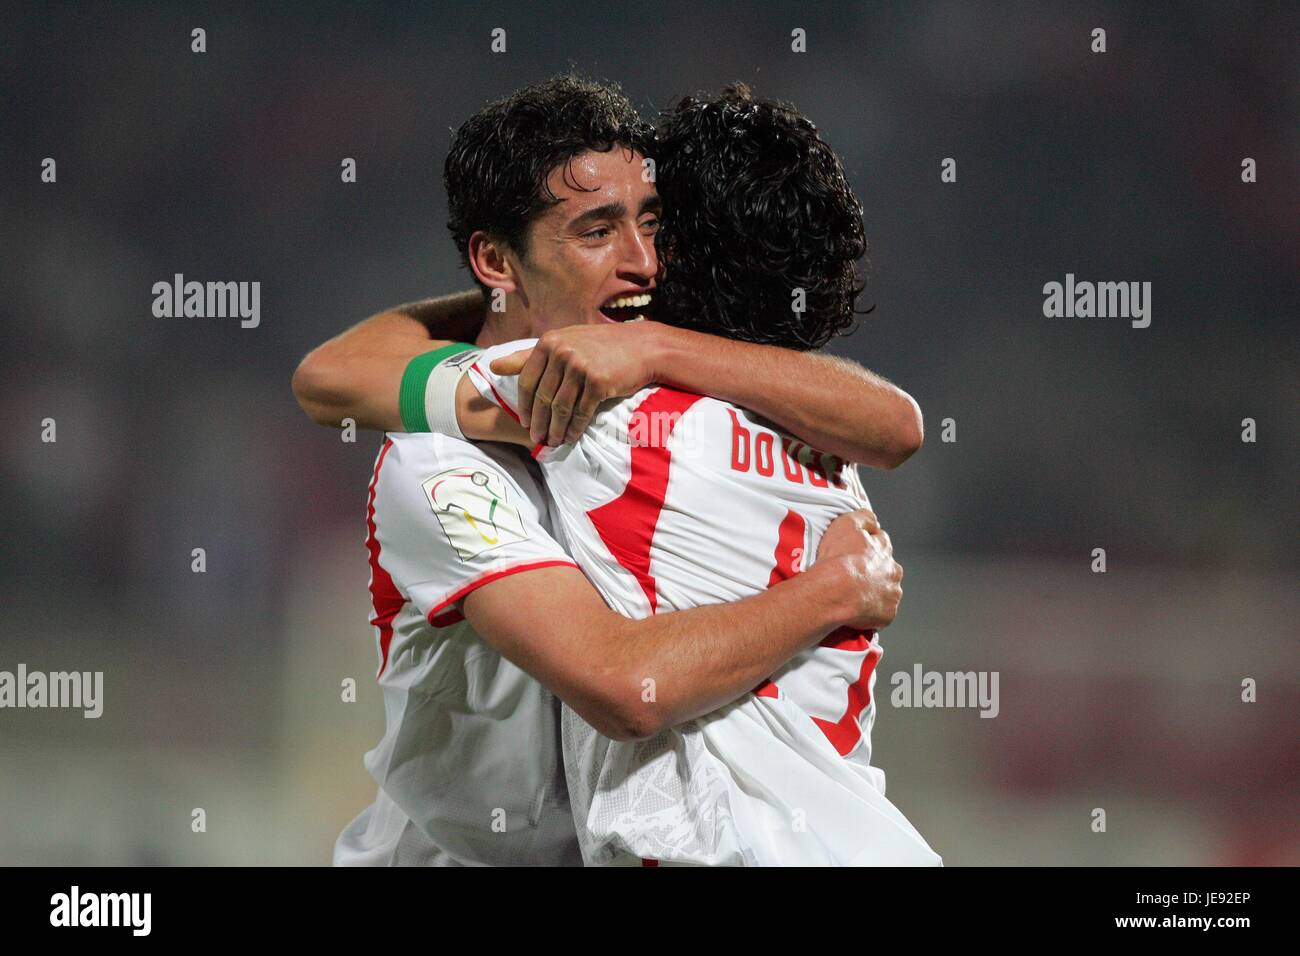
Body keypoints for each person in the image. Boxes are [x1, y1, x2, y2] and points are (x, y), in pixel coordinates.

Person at [294, 76, 921, 866]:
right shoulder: (448, 452)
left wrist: (648, 342)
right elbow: (326, 377)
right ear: (495, 257)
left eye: (652, 224)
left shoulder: (657, 394)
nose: (643, 262)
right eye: (596, 232)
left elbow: (895, 423)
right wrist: (836, 590)